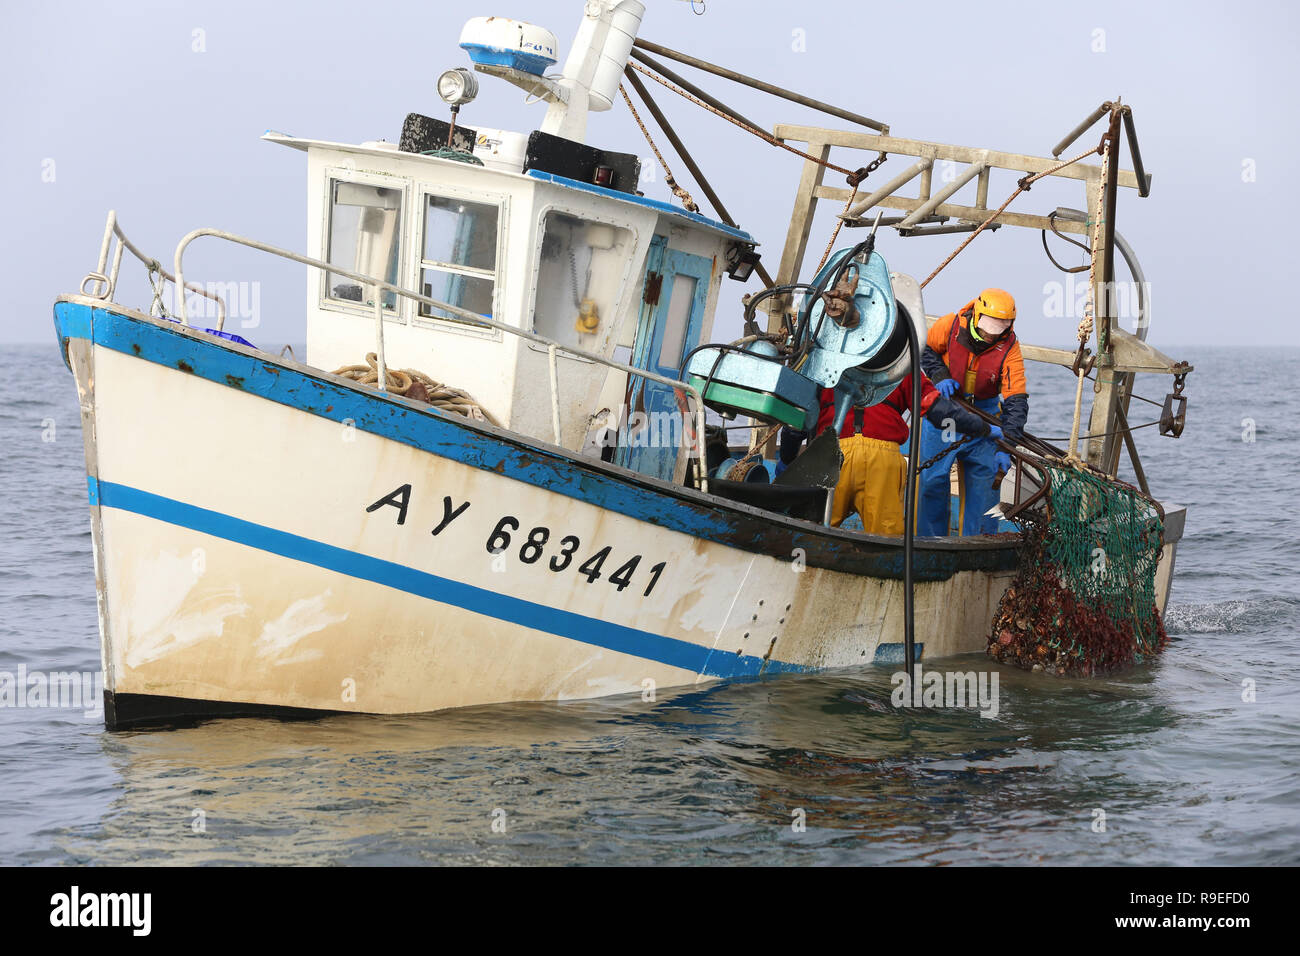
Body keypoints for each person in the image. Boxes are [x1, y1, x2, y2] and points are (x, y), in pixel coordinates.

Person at [783, 373, 997, 534]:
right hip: (882, 462)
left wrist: (785, 461)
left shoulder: (823, 366)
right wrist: (982, 427)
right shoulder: (903, 368)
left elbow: (796, 422)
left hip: (831, 454)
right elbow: (939, 412)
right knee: (886, 542)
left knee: (806, 531)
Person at [917, 288, 1028, 536]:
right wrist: (940, 376)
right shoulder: (950, 325)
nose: (991, 334)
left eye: (1000, 327)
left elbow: (1016, 401)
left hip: (986, 415)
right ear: (976, 316)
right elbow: (926, 350)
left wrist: (1006, 446)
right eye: (988, 325)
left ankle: (978, 544)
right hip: (946, 410)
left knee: (986, 488)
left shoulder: (1010, 348)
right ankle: (930, 541)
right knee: (932, 481)